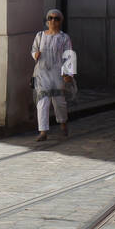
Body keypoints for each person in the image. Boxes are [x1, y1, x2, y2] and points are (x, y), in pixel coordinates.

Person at [32, 10, 77, 141]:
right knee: (42, 102)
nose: (53, 21)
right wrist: (35, 55)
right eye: (50, 18)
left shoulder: (64, 38)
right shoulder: (40, 35)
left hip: (57, 73)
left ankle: (63, 123)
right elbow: (34, 49)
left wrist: (68, 73)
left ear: (60, 21)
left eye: (56, 19)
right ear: (47, 20)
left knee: (59, 102)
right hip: (42, 73)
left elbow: (68, 55)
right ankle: (43, 131)